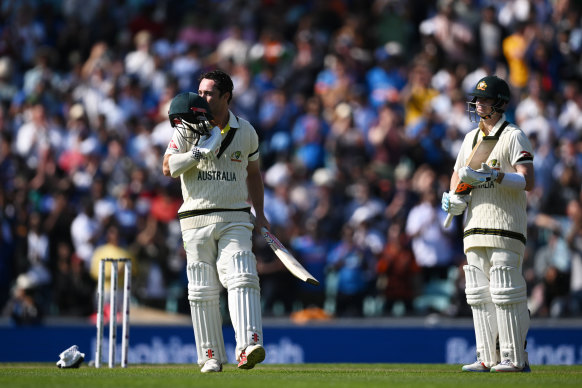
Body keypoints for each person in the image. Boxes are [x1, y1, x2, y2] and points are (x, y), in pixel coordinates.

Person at [162, 69, 270, 373]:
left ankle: (248, 345)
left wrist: (260, 214)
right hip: (195, 218)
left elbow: (253, 174)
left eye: (209, 93)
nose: (202, 97)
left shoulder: (246, 130)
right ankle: (210, 355)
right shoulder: (185, 127)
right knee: (201, 289)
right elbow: (167, 167)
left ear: (226, 96)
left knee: (242, 272)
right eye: (200, 91)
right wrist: (196, 153)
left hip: (234, 215)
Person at [441, 75, 535, 372]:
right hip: (475, 226)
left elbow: (527, 180)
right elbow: (458, 174)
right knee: (478, 294)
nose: (478, 103)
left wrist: (494, 176)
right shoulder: (470, 139)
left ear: (501, 103)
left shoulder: (513, 135)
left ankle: (514, 358)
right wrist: (453, 199)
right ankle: (486, 357)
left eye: (484, 99)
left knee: (505, 291)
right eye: (477, 99)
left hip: (506, 225)